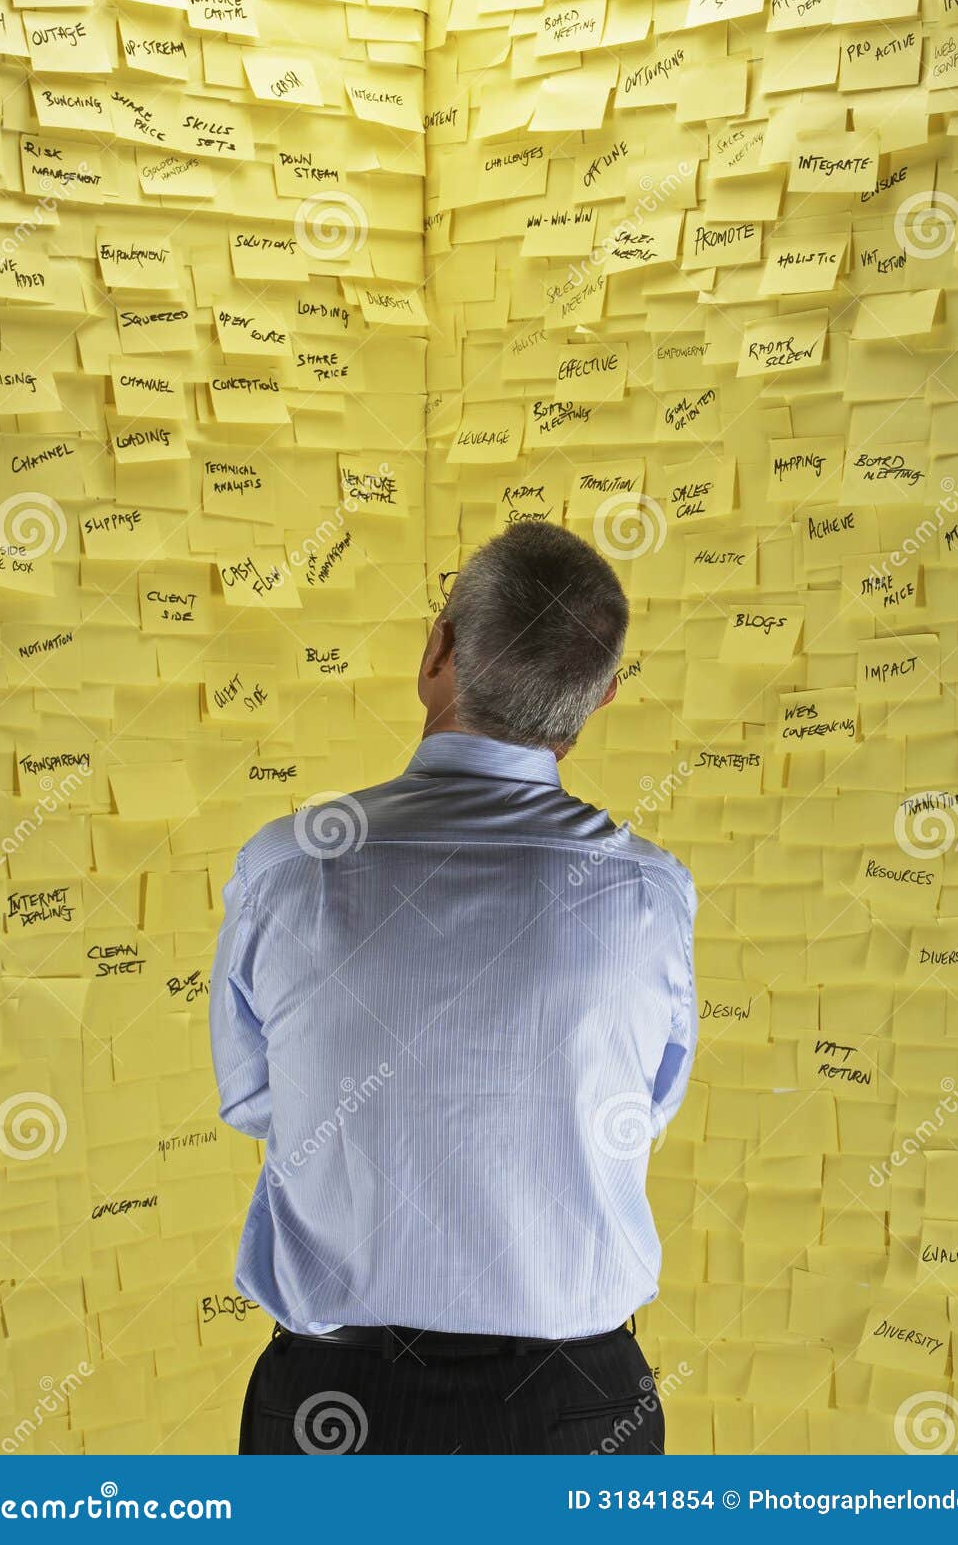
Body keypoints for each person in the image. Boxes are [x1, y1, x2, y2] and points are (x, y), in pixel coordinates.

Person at [210, 522, 698, 1455]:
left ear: (437, 651)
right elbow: (644, 1108)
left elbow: (256, 1101)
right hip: (575, 1407)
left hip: (333, 1406)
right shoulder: (648, 892)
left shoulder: (286, 867)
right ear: (600, 697)